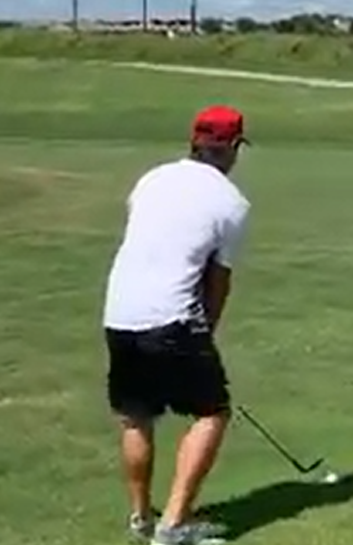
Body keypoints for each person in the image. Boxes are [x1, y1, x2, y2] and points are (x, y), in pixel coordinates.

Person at [101, 104, 253, 545]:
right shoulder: (231, 202)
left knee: (136, 417)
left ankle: (140, 519)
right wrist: (208, 329)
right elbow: (218, 281)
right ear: (232, 148)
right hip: (172, 318)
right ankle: (174, 525)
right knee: (212, 411)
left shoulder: (152, 178)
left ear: (195, 141)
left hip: (119, 313)